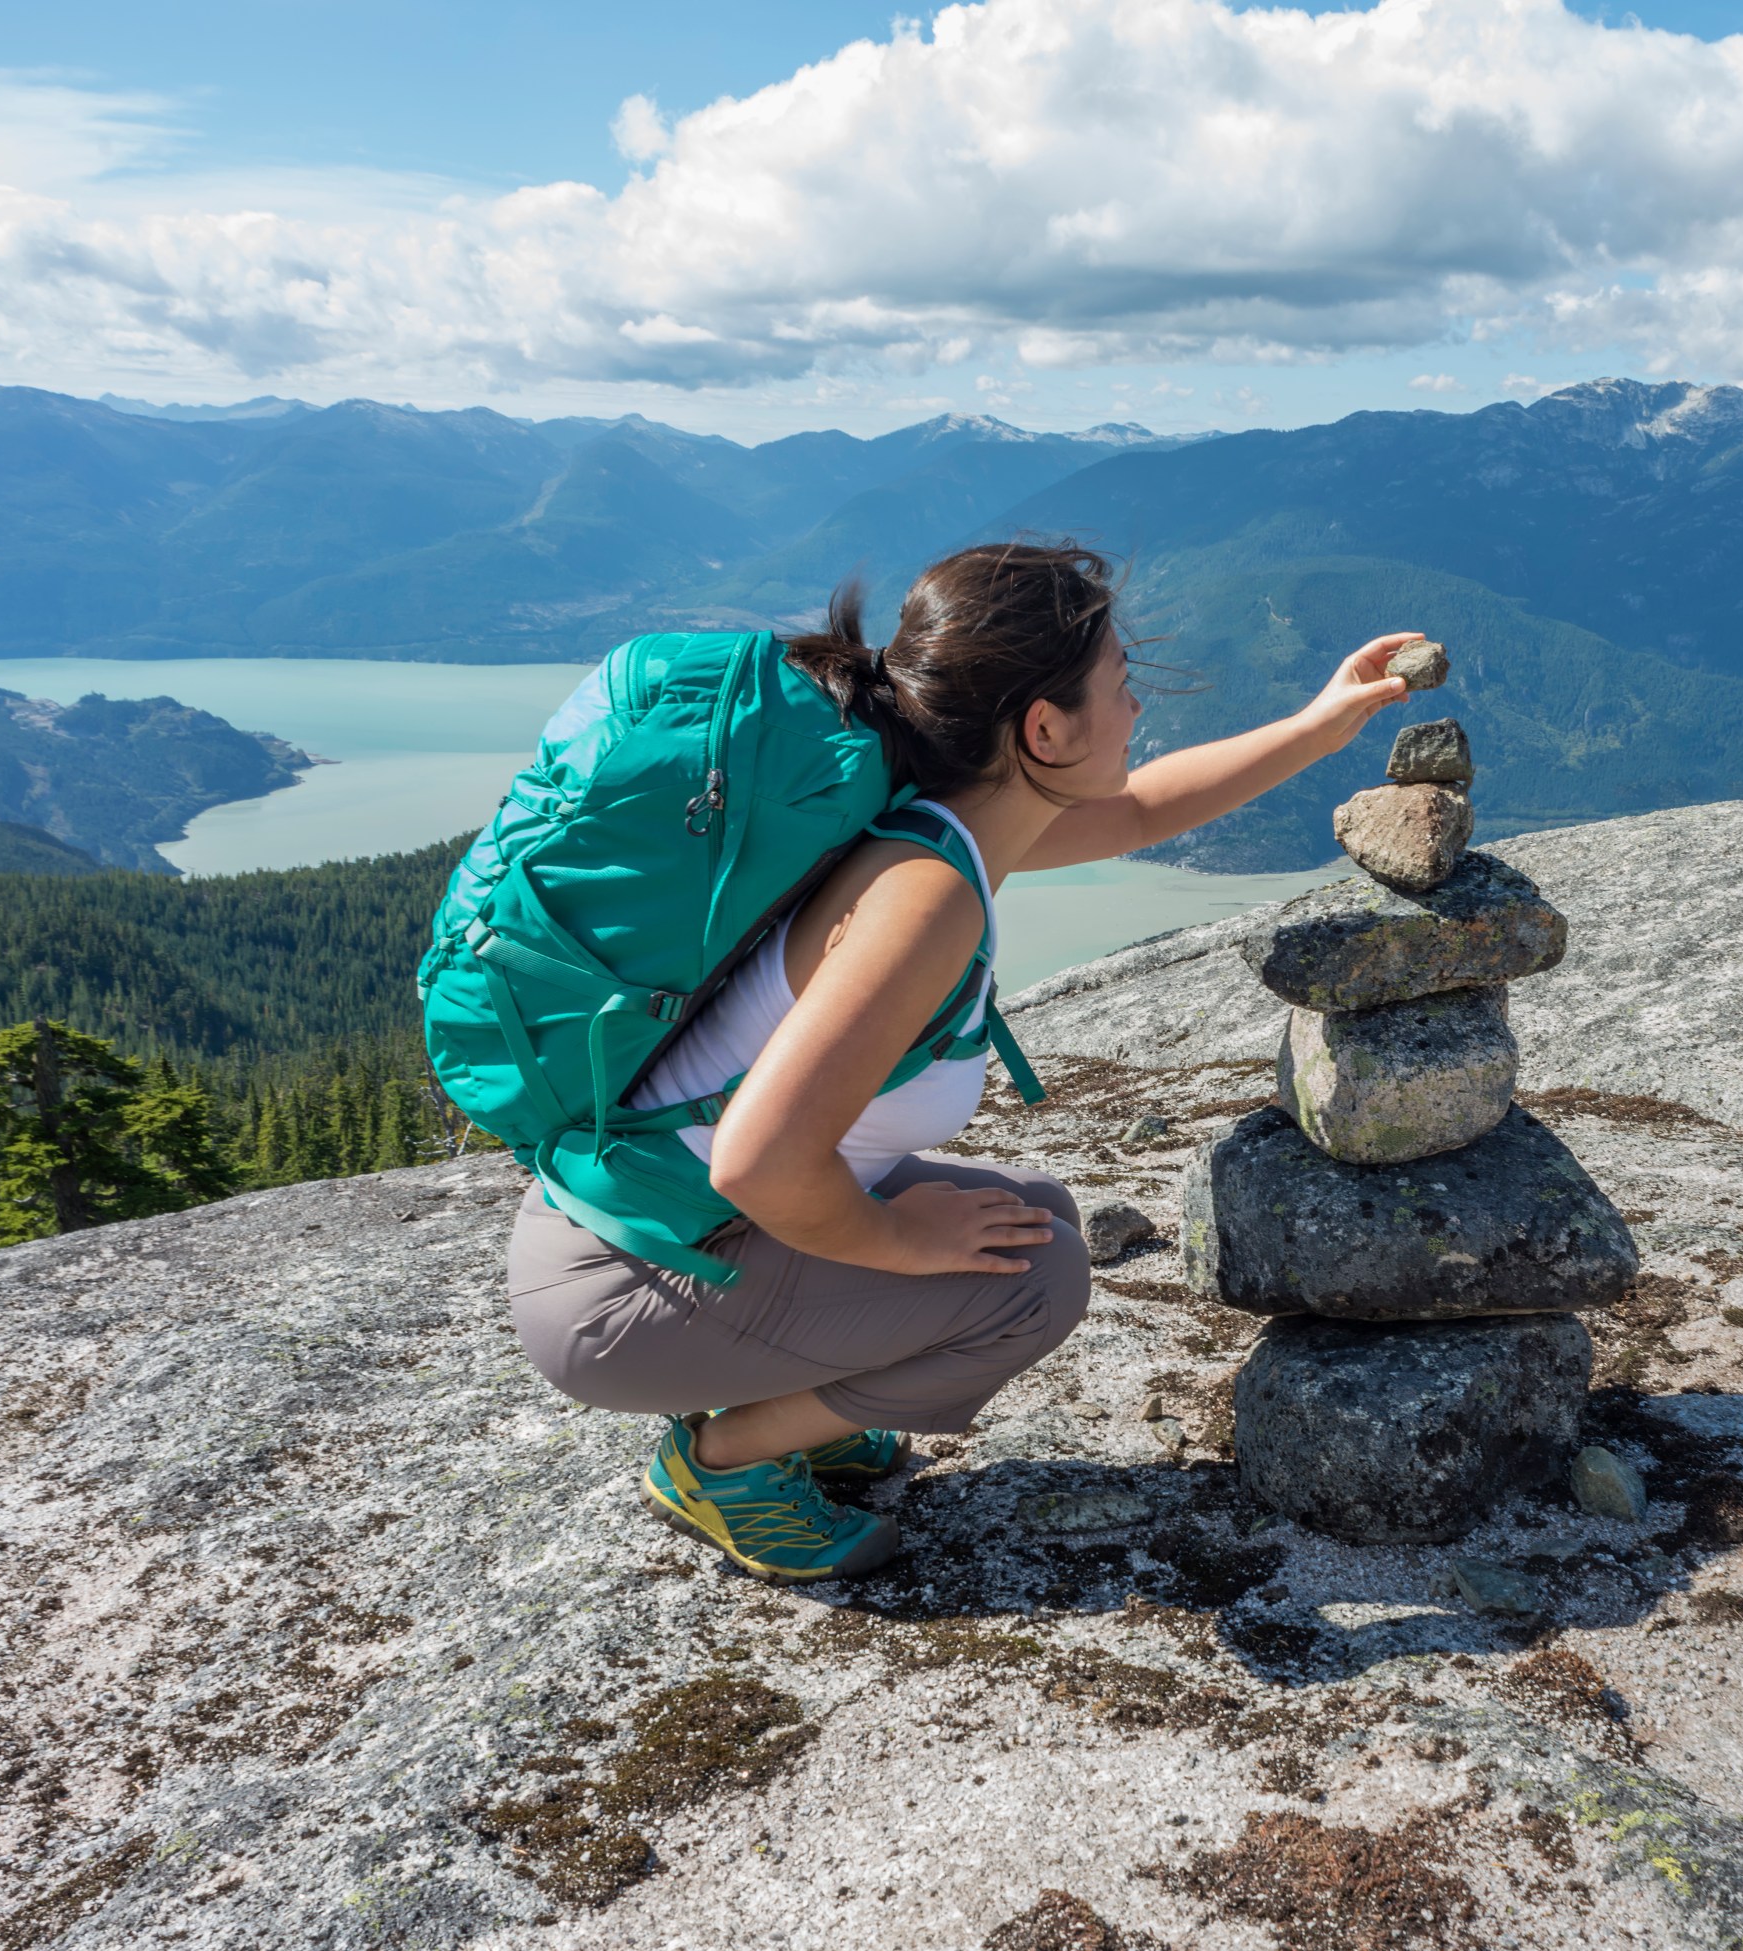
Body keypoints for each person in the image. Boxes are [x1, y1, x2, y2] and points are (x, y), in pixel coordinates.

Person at [505, 541, 1417, 1581]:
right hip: (618, 1293)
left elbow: (1150, 806)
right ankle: (722, 1459)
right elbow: (755, 1160)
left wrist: (1320, 723)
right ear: (1043, 727)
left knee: (1038, 1214)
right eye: (1121, 688)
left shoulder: (942, 823)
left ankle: (797, 1406)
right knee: (1036, 1279)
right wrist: (895, 1241)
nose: (1135, 712)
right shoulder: (923, 898)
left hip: (648, 1240)